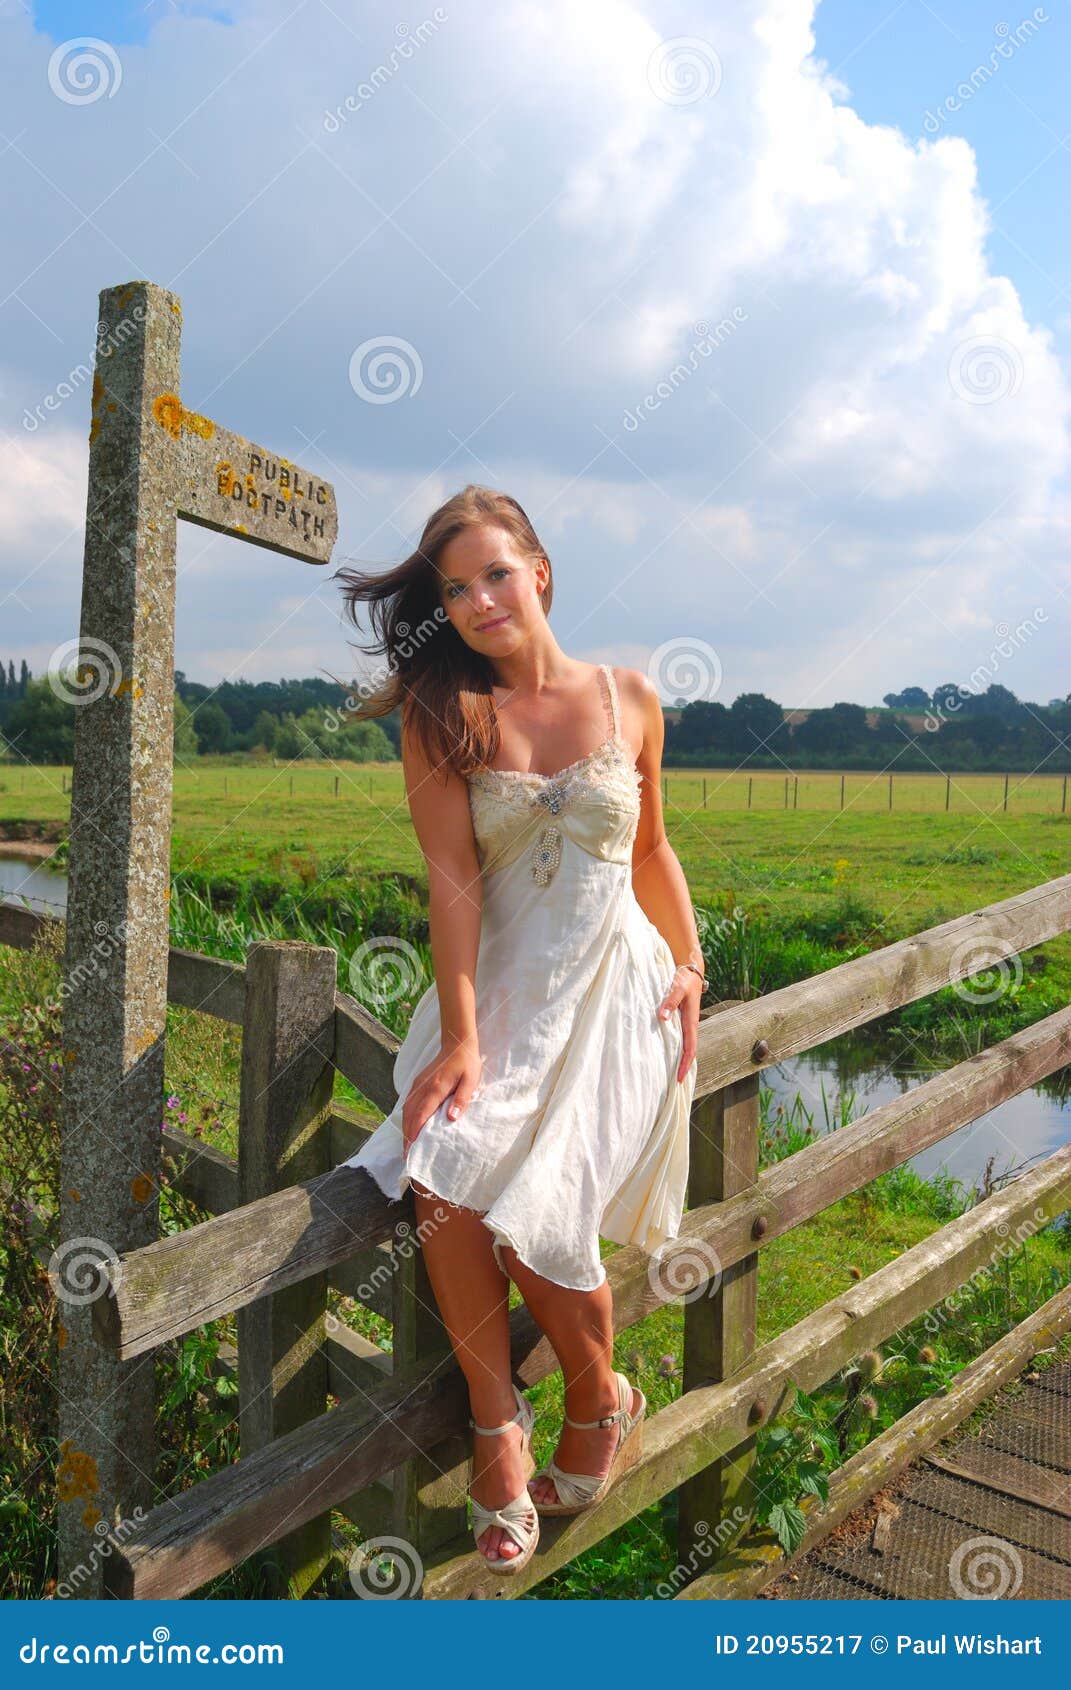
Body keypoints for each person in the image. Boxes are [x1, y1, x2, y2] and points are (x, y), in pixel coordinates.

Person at [331, 484, 703, 1576]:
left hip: (619, 993)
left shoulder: (630, 697)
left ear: (539, 570)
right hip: (498, 992)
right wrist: (459, 1038)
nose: (480, 601)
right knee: (443, 1169)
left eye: (495, 573)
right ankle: (499, 1428)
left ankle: (598, 1398)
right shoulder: (441, 714)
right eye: (455, 590)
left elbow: (651, 850)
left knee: (541, 1207)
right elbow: (452, 881)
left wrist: (691, 964)